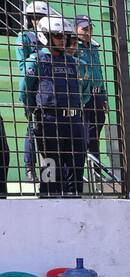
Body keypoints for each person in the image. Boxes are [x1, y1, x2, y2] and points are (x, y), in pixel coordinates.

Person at [21, 14, 86, 197]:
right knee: (50, 163)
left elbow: (84, 89)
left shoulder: (74, 62)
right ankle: (48, 198)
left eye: (65, 36)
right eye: (58, 35)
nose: (63, 39)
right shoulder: (37, 60)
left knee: (76, 163)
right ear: (45, 36)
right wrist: (34, 112)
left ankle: (74, 199)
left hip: (73, 119)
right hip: (49, 119)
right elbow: (25, 91)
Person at [17, 2, 50, 183]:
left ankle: (48, 175)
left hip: (49, 90)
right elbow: (24, 66)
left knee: (49, 134)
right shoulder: (25, 37)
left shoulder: (50, 35)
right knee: (33, 128)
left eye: (41, 17)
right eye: (35, 17)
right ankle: (30, 168)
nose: (38, 20)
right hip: (33, 88)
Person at [73, 15, 105, 163]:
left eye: (90, 28)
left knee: (96, 129)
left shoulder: (93, 48)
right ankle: (93, 164)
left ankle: (94, 162)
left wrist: (104, 96)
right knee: (88, 131)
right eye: (84, 29)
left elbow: (99, 71)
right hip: (84, 95)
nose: (88, 32)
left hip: (97, 95)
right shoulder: (74, 47)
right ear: (75, 29)